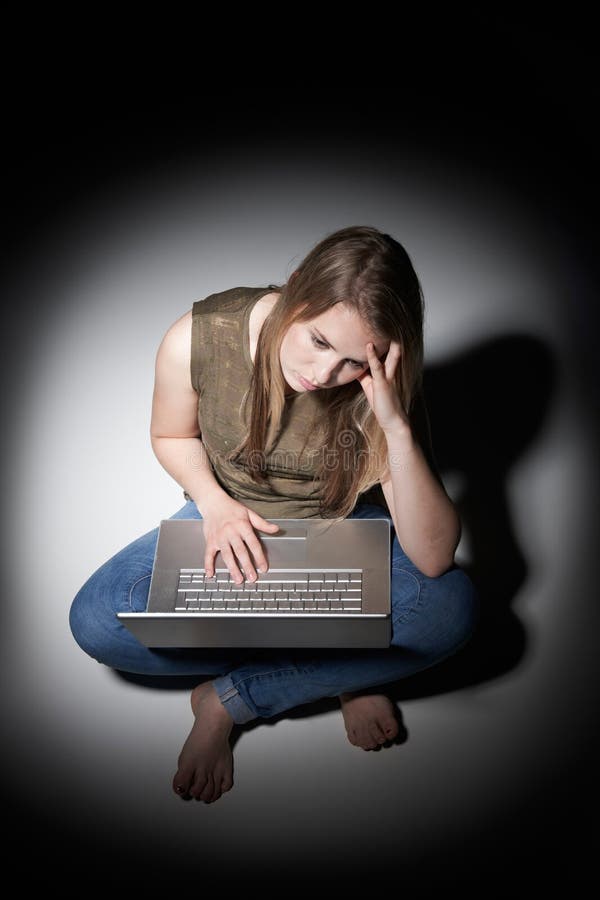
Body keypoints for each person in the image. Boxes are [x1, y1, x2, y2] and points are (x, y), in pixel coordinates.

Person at [69, 225, 478, 804]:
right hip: (227, 514)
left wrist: (393, 422)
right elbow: (169, 434)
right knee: (95, 621)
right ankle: (347, 664)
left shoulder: (377, 381)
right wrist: (214, 505)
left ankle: (229, 698)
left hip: (340, 525)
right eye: (317, 340)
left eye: (352, 362)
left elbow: (433, 557)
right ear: (294, 291)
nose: (325, 374)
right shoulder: (198, 337)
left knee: (451, 611)